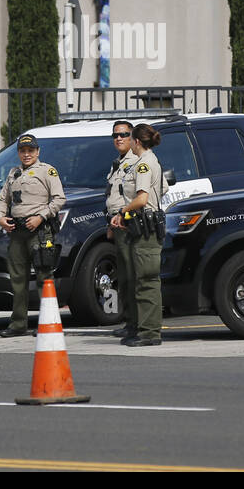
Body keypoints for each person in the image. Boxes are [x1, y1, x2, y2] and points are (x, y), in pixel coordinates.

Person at [0, 133, 66, 337]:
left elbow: (59, 199)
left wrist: (41, 216)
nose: (26, 154)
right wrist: (0, 218)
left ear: (38, 152)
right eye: (23, 151)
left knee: (44, 277)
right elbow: (3, 200)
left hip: (39, 231)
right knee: (17, 279)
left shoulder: (47, 171)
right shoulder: (13, 173)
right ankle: (18, 323)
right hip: (17, 232)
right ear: (18, 152)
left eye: (30, 150)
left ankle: (48, 322)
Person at [119, 123, 168, 347]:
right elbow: (163, 188)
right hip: (144, 225)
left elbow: (140, 198)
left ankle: (149, 333)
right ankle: (145, 330)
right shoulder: (150, 161)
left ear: (137, 142)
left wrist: (123, 211)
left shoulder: (143, 165)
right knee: (143, 280)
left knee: (146, 281)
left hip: (145, 229)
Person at [105, 120, 141, 338]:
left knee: (134, 276)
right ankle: (130, 322)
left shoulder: (137, 161)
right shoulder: (116, 164)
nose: (119, 138)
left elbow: (146, 193)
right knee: (125, 277)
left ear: (133, 138)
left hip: (130, 224)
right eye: (116, 135)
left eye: (124, 134)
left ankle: (138, 323)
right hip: (117, 225)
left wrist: (126, 216)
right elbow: (111, 195)